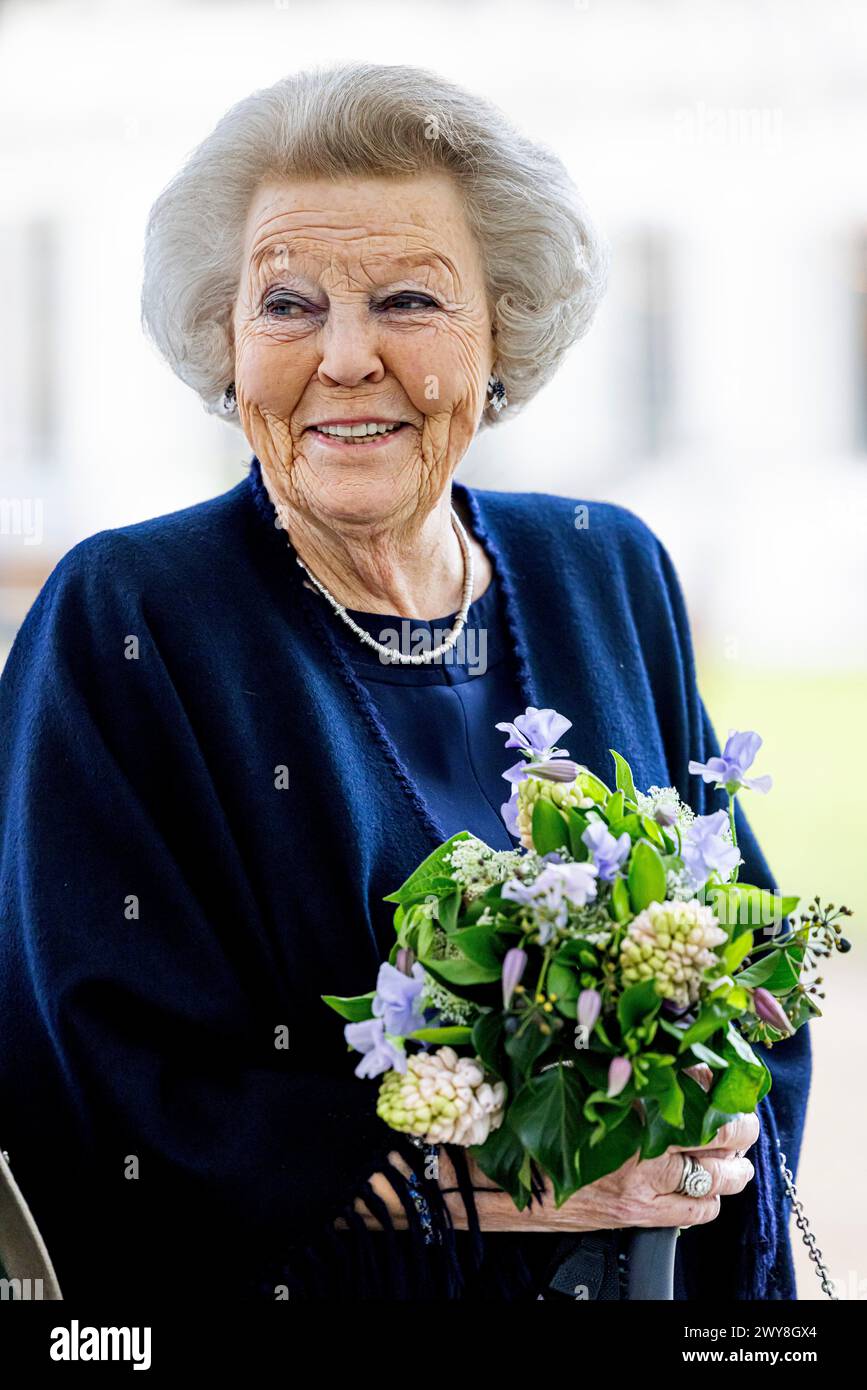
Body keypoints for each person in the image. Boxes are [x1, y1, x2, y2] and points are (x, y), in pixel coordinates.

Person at [0, 62, 809, 1300]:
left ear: (504, 338)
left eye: (409, 299)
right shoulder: (129, 617)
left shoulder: (608, 566)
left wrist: (696, 1141)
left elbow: (758, 977)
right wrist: (488, 1182)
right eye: (286, 304)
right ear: (227, 344)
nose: (344, 357)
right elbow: (99, 1079)